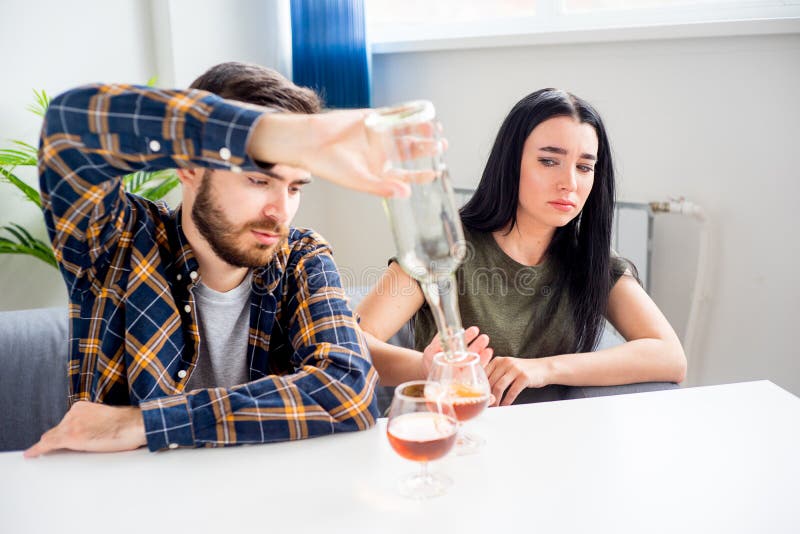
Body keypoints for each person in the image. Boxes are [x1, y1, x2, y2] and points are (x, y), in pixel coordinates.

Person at [23, 61, 414, 457]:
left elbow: (347, 389)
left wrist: (145, 423)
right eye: (259, 180)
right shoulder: (116, 242)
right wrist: (267, 134)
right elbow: (69, 131)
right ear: (190, 166)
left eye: (294, 187)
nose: (280, 211)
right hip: (133, 503)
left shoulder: (301, 259)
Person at [357, 88, 687, 406]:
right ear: (511, 163)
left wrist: (543, 368)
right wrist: (426, 368)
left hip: (546, 441)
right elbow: (350, 345)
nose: (569, 183)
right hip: (448, 434)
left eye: (584, 167)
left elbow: (670, 356)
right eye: (548, 161)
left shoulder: (592, 260)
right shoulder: (442, 245)